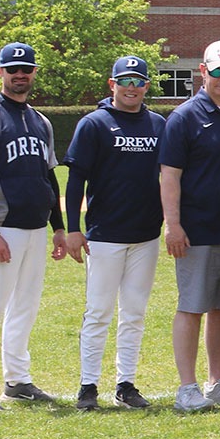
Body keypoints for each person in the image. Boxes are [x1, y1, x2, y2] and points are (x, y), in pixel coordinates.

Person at [159, 40, 220, 412]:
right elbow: (170, 176)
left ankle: (217, 382)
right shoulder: (184, 117)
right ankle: (187, 387)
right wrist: (173, 224)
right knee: (191, 307)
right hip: (196, 230)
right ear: (203, 71)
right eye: (217, 71)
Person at [64, 55, 167, 410]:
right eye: (125, 81)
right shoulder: (94, 124)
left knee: (134, 313)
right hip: (104, 235)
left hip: (146, 235)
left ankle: (126, 384)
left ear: (146, 86)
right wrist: (73, 229)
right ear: (112, 84)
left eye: (138, 81)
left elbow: (169, 176)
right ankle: (88, 386)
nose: (131, 87)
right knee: (98, 312)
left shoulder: (157, 124)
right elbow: (75, 179)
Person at [0, 43, 68, 411]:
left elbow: (49, 176)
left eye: (26, 68)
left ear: (34, 72)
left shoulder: (40, 121)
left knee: (25, 307)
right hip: (3, 229)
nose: (20, 74)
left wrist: (58, 228)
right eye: (12, 68)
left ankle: (17, 381)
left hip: (34, 229)